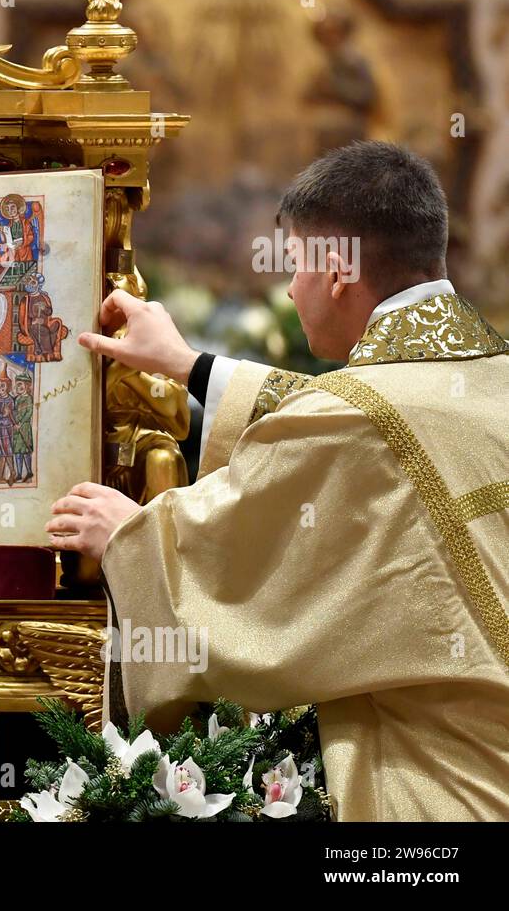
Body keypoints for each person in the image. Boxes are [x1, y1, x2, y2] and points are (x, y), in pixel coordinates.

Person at [47, 141, 509, 821]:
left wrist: (133, 537)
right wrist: (187, 364)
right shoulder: (481, 376)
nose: (290, 289)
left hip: (441, 791)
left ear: (338, 272)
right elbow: (365, 421)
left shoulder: (355, 419)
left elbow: (239, 567)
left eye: (295, 264)